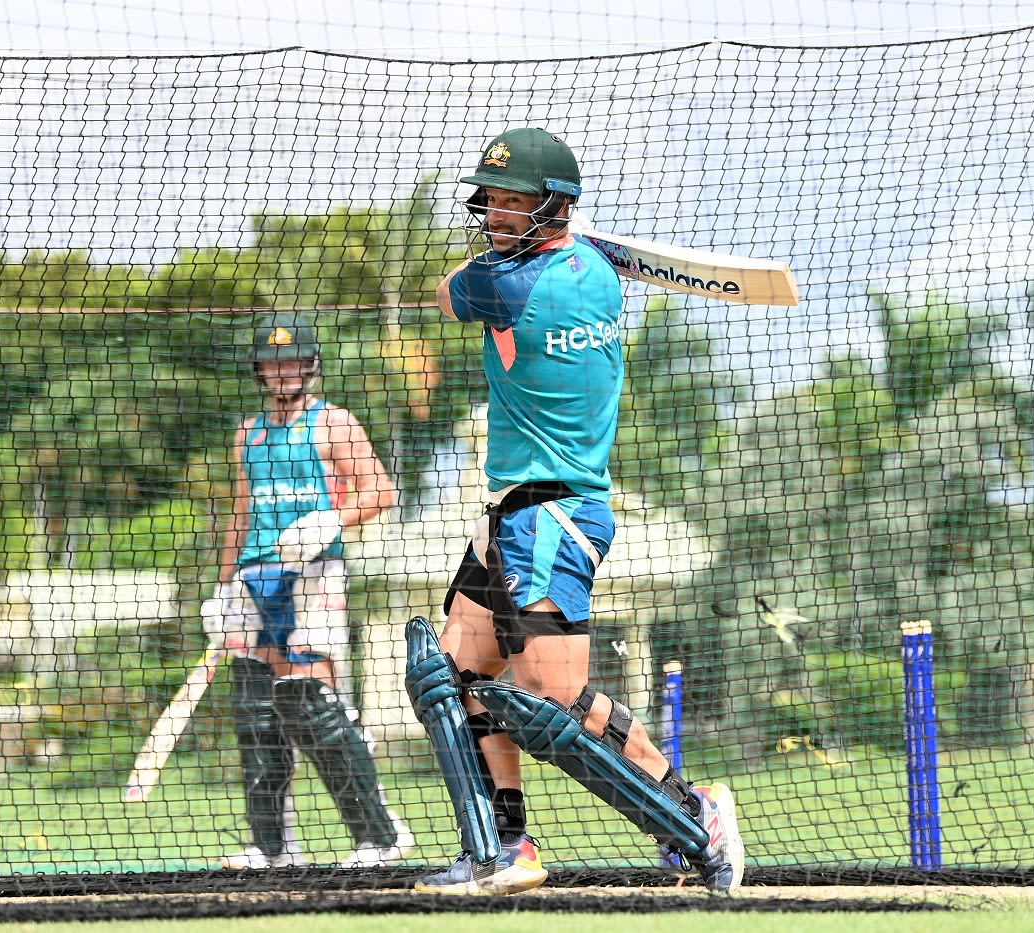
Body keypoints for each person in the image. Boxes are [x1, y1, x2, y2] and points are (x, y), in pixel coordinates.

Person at [407, 127, 744, 896]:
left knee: (553, 697)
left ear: (554, 205)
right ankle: (506, 844)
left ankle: (696, 809)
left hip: (553, 514)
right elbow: (548, 252)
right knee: (455, 676)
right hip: (512, 511)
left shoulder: (508, 284)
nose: (493, 214)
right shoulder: (593, 269)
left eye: (513, 201)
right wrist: (552, 230)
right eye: (488, 199)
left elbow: (445, 292)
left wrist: (512, 247)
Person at [203, 312, 414, 870]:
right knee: (256, 715)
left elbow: (381, 491)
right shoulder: (247, 433)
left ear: (311, 366)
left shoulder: (333, 423)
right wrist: (223, 590)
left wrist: (330, 521)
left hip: (313, 575)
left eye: (292, 361)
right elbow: (241, 513)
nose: (282, 372)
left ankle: (381, 835)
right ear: (259, 371)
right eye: (272, 364)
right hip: (255, 579)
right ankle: (274, 848)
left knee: (312, 705)